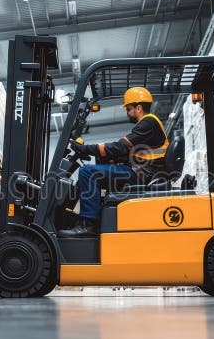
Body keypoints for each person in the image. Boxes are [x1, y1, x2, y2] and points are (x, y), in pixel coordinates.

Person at [58, 87, 168, 237]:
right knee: (97, 169)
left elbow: (120, 147)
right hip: (143, 171)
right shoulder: (149, 124)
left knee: (87, 172)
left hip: (143, 174)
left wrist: (86, 149)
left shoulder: (148, 122)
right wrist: (105, 155)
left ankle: (89, 225)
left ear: (139, 108)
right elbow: (127, 151)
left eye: (128, 109)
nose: (127, 113)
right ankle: (85, 219)